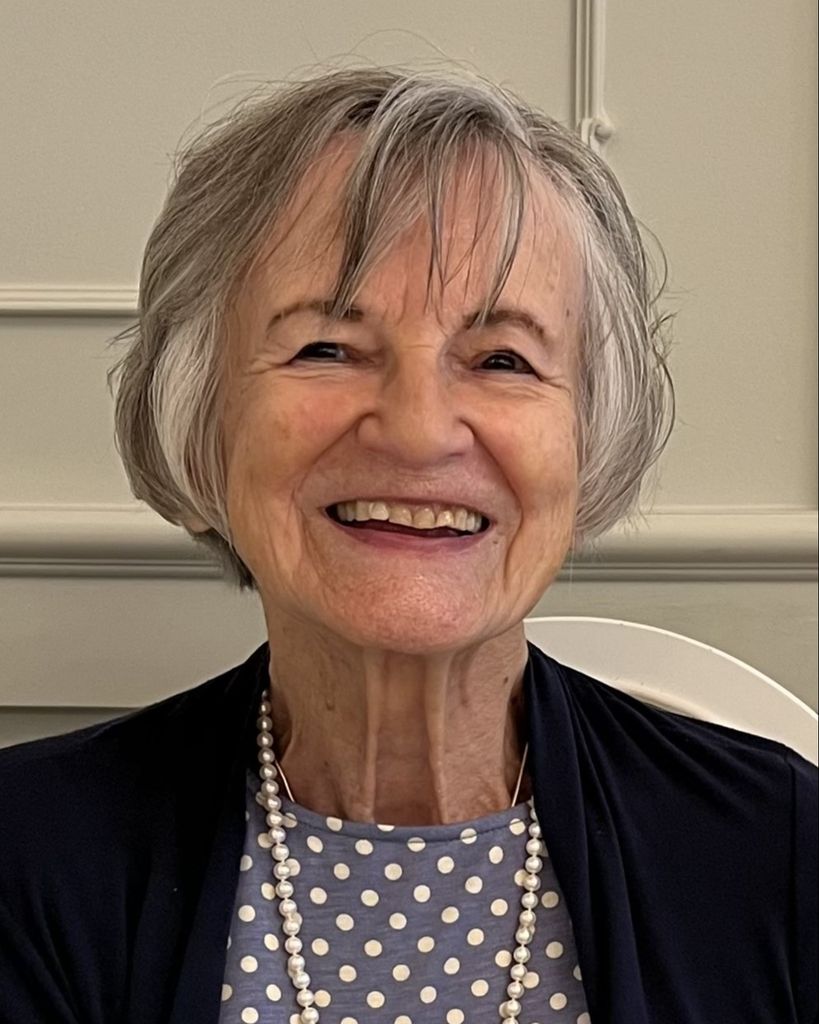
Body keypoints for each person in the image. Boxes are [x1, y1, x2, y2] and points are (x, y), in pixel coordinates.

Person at [0, 66, 815, 1024]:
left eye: (502, 359)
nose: (419, 431)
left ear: (587, 432)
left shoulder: (777, 850)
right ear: (201, 415)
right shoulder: (25, 857)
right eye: (326, 348)